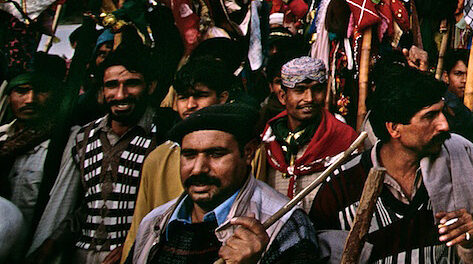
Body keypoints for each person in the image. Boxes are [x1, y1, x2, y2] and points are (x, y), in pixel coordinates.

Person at [311, 63, 473, 263]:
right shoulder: (341, 189)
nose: (444, 124)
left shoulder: (459, 159)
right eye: (430, 116)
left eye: (442, 112)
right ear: (394, 128)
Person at [30, 40, 177, 263]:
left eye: (132, 83)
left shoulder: (164, 135)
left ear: (151, 86)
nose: (120, 94)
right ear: (101, 90)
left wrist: (133, 245)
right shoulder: (84, 137)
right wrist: (53, 242)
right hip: (80, 253)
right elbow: (81, 205)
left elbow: (168, 206)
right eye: (111, 85)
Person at [127, 103, 323, 264]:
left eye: (215, 154)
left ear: (248, 153)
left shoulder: (283, 223)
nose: (198, 169)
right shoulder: (155, 223)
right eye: (189, 155)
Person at [120, 57, 239, 260]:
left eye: (200, 96)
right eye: (183, 97)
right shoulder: (158, 158)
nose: (190, 105)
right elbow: (140, 225)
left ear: (222, 98)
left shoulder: (241, 152)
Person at [256, 56, 356, 209]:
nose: (309, 99)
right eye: (300, 90)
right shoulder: (268, 139)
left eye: (317, 90)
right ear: (283, 97)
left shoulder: (344, 138)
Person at [0, 53, 65, 241]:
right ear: (10, 94)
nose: (30, 99)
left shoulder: (66, 141)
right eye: (21, 91)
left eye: (41, 90)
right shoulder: (2, 136)